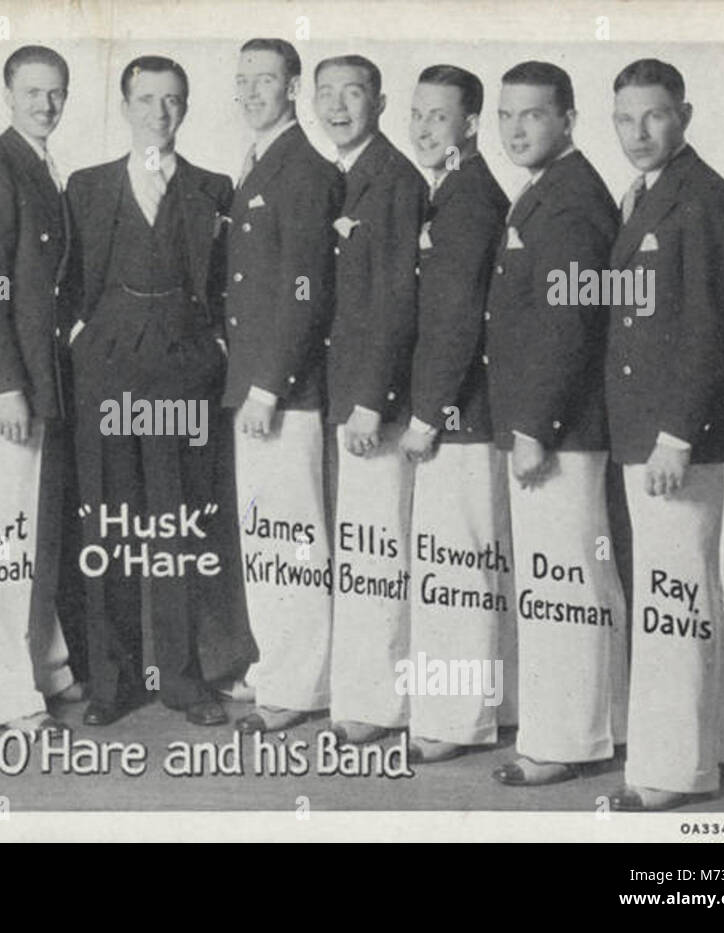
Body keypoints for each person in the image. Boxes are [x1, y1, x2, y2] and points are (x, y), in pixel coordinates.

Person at [64, 55, 234, 727]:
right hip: (106, 370)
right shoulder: (86, 186)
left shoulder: (214, 188)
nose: (158, 113)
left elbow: (230, 286)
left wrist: (213, 347)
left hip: (182, 372)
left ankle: (185, 679)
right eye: (145, 99)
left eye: (171, 100)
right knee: (110, 525)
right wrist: (83, 339)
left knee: (174, 525)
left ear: (186, 108)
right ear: (125, 105)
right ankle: (111, 681)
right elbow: (66, 281)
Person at [604, 58, 724, 810]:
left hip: (675, 433)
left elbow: (712, 329)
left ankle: (671, 769)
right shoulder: (653, 194)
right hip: (649, 426)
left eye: (654, 116)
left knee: (671, 595)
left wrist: (675, 435)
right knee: (690, 585)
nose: (638, 132)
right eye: (625, 118)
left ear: (684, 115)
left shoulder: (704, 200)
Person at [485, 62, 629, 787]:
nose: (516, 128)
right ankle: (596, 726)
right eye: (507, 115)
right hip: (556, 423)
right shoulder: (548, 189)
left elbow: (569, 324)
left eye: (534, 115)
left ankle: (567, 742)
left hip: (562, 429)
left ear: (568, 119)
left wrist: (536, 424)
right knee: (572, 582)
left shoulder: (570, 201)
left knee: (562, 587)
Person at [0, 45, 82, 735]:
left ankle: (42, 667)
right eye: (33, 92)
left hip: (38, 384)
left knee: (29, 538)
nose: (46, 104)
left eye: (56, 92)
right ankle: (5, 699)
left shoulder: (36, 165)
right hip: (4, 392)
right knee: (2, 547)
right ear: (7, 93)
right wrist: (5, 384)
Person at [224, 38, 343, 734]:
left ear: (293, 86)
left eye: (266, 80)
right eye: (242, 80)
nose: (251, 92)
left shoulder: (301, 167)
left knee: (290, 537)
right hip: (258, 385)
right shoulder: (266, 160)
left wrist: (269, 385)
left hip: (283, 392)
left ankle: (298, 685)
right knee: (267, 535)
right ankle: (280, 667)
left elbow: (306, 291)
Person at [400, 65, 516, 761]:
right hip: (460, 414)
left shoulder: (469, 198)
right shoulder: (451, 189)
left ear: (470, 125)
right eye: (416, 114)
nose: (421, 127)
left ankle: (455, 722)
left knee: (458, 571)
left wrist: (427, 414)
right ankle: (466, 712)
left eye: (438, 117)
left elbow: (455, 321)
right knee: (459, 566)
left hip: (463, 416)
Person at [315, 54, 428, 745]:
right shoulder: (350, 175)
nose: (336, 106)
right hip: (348, 391)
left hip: (372, 402)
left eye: (351, 93)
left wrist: (370, 400)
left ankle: (382, 704)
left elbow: (396, 299)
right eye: (325, 94)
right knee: (361, 551)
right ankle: (364, 693)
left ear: (379, 101)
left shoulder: (391, 180)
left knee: (376, 552)